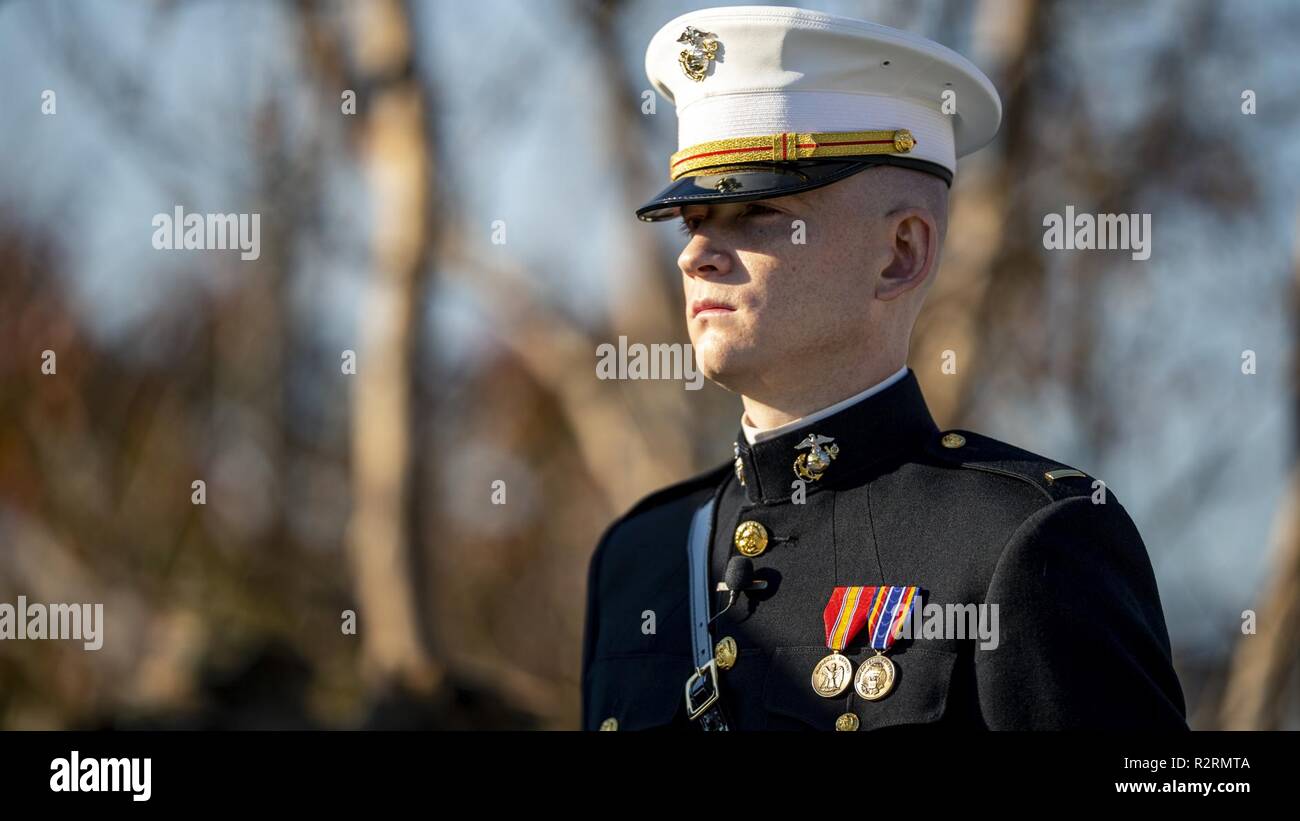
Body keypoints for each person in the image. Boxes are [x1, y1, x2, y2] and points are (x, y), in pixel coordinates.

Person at [580, 5, 1187, 731]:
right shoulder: (638, 557)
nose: (694, 255)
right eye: (694, 222)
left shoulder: (1029, 543)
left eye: (756, 212)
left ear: (901, 251)